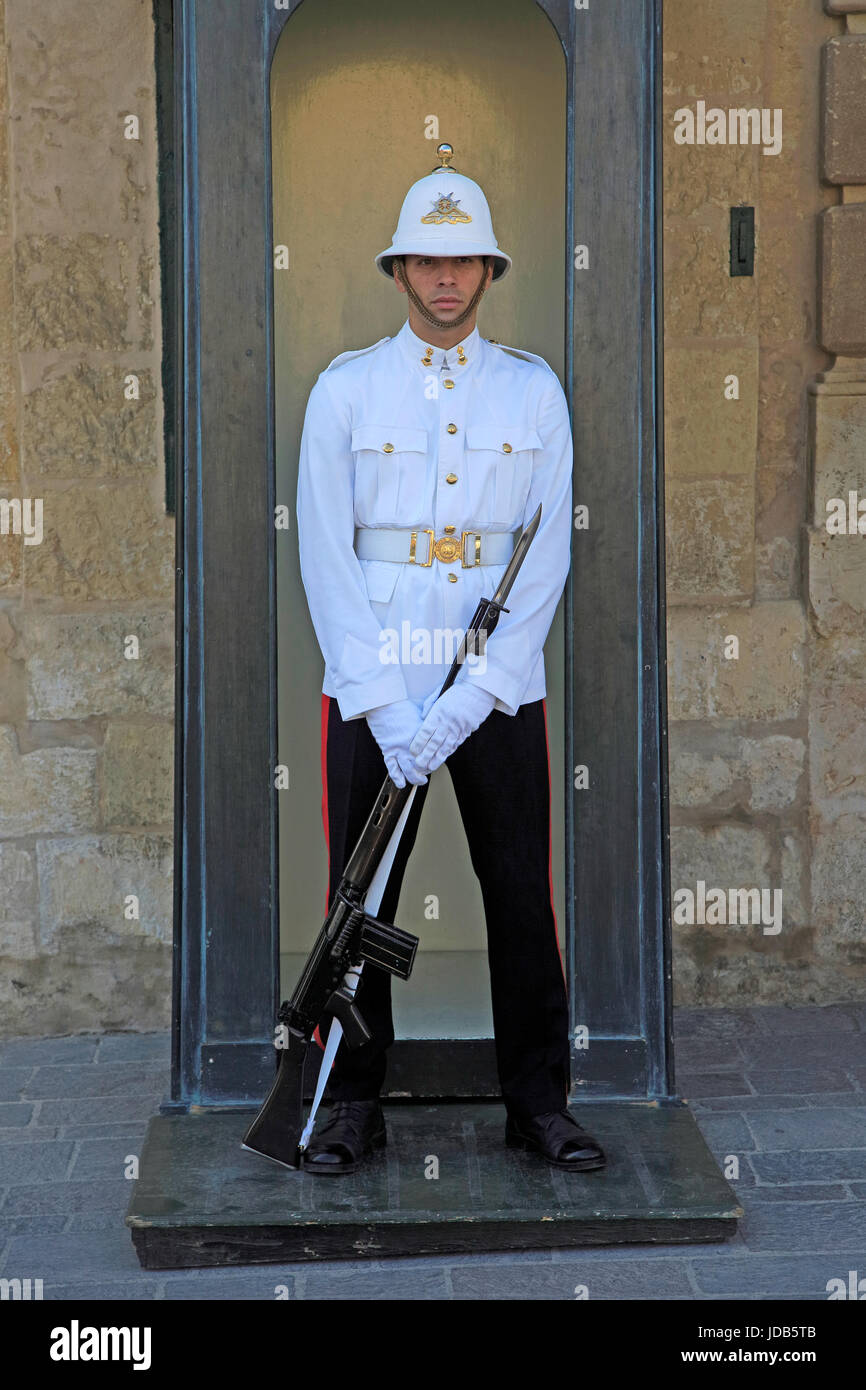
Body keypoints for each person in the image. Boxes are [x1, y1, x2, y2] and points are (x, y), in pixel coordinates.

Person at [295, 144, 605, 1176]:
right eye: (426, 261)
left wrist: (470, 698)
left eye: (464, 260)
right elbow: (325, 555)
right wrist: (384, 705)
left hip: (495, 678)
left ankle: (536, 1103)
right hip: (375, 668)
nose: (444, 277)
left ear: (486, 274)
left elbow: (543, 559)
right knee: (361, 898)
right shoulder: (344, 392)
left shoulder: (532, 394)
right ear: (396, 272)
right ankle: (348, 1103)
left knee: (517, 889)